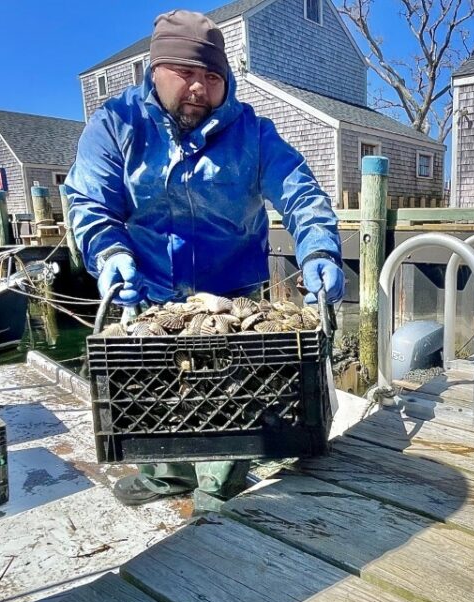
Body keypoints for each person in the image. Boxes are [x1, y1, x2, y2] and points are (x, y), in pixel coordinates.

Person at [65, 10, 344, 508]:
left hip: (233, 300)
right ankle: (166, 479)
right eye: (187, 73)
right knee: (154, 398)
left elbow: (300, 193)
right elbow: (90, 203)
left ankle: (222, 487)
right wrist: (107, 251)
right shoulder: (115, 124)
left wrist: (320, 247)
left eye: (212, 76)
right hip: (148, 295)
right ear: (157, 70)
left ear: (226, 80)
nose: (199, 87)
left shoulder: (254, 133)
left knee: (234, 397)